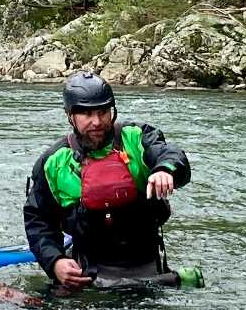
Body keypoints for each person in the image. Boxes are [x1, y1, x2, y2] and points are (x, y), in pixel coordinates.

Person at [23, 71, 191, 288]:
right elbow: (38, 219)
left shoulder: (136, 136)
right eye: (87, 114)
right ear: (70, 116)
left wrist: (165, 170)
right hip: (87, 271)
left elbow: (170, 154)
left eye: (103, 112)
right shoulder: (53, 162)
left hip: (147, 265)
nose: (97, 122)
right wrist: (55, 262)